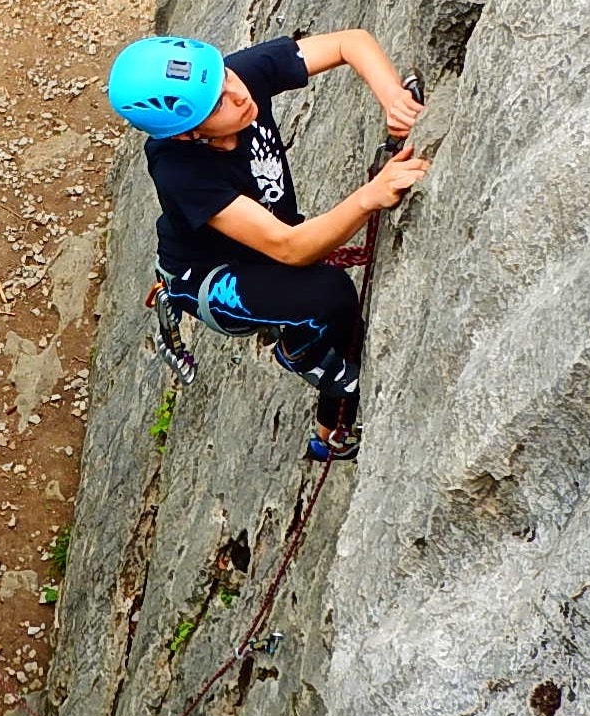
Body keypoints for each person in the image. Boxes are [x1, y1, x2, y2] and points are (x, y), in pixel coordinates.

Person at [107, 31, 429, 461]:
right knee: (328, 296)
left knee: (339, 317)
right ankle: (301, 353)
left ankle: (329, 430)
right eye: (217, 103)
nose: (237, 94)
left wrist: (392, 97)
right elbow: (289, 248)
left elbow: (349, 43)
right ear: (186, 133)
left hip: (267, 242)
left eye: (224, 77)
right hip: (212, 278)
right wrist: (369, 196)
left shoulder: (233, 80)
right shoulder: (180, 168)